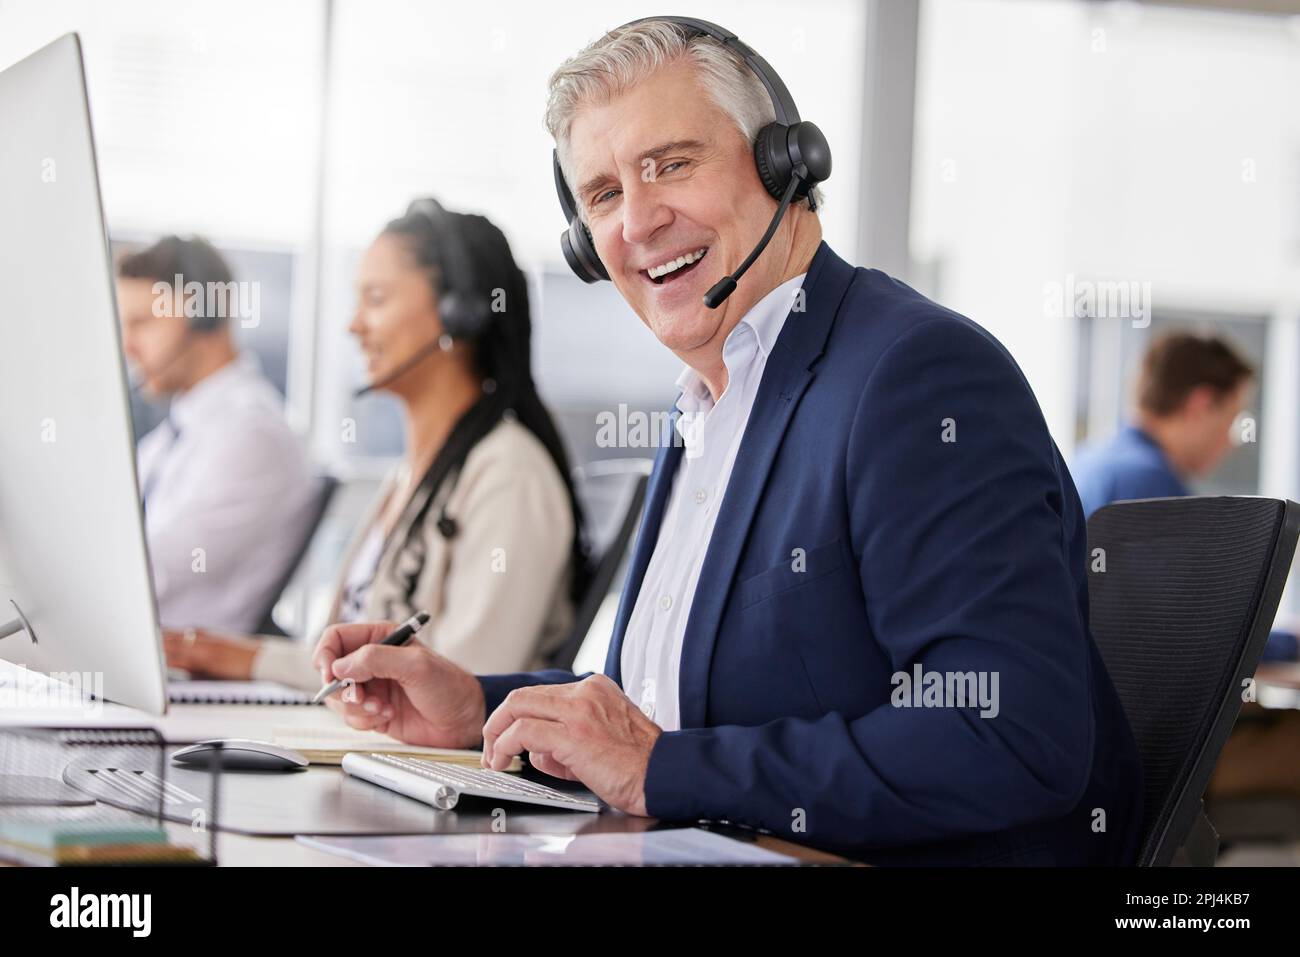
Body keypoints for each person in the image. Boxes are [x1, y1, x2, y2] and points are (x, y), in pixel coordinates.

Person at [314, 18, 1142, 865]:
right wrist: (478, 705)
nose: (637, 221)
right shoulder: (712, 400)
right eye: (602, 195)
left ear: (785, 163)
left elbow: (1005, 733)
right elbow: (668, 707)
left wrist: (659, 769)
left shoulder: (915, 374)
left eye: (670, 164)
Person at [164, 201, 589, 687]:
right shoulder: (409, 474)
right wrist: (236, 655)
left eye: (377, 298)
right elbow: (339, 659)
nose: (353, 325)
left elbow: (470, 681)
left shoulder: (510, 473)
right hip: (361, 738)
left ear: (460, 315)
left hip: (429, 758)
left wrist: (251, 659)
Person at [118, 236, 316, 635]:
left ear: (204, 315)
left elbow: (143, 574)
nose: (128, 347)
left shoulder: (251, 435)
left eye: (143, 323)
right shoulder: (174, 434)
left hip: (191, 676)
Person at [1072, 331, 1297, 662]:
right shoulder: (1147, 480)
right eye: (1233, 419)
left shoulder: (1094, 459)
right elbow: (1194, 630)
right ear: (1202, 404)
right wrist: (1291, 643)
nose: (1232, 441)